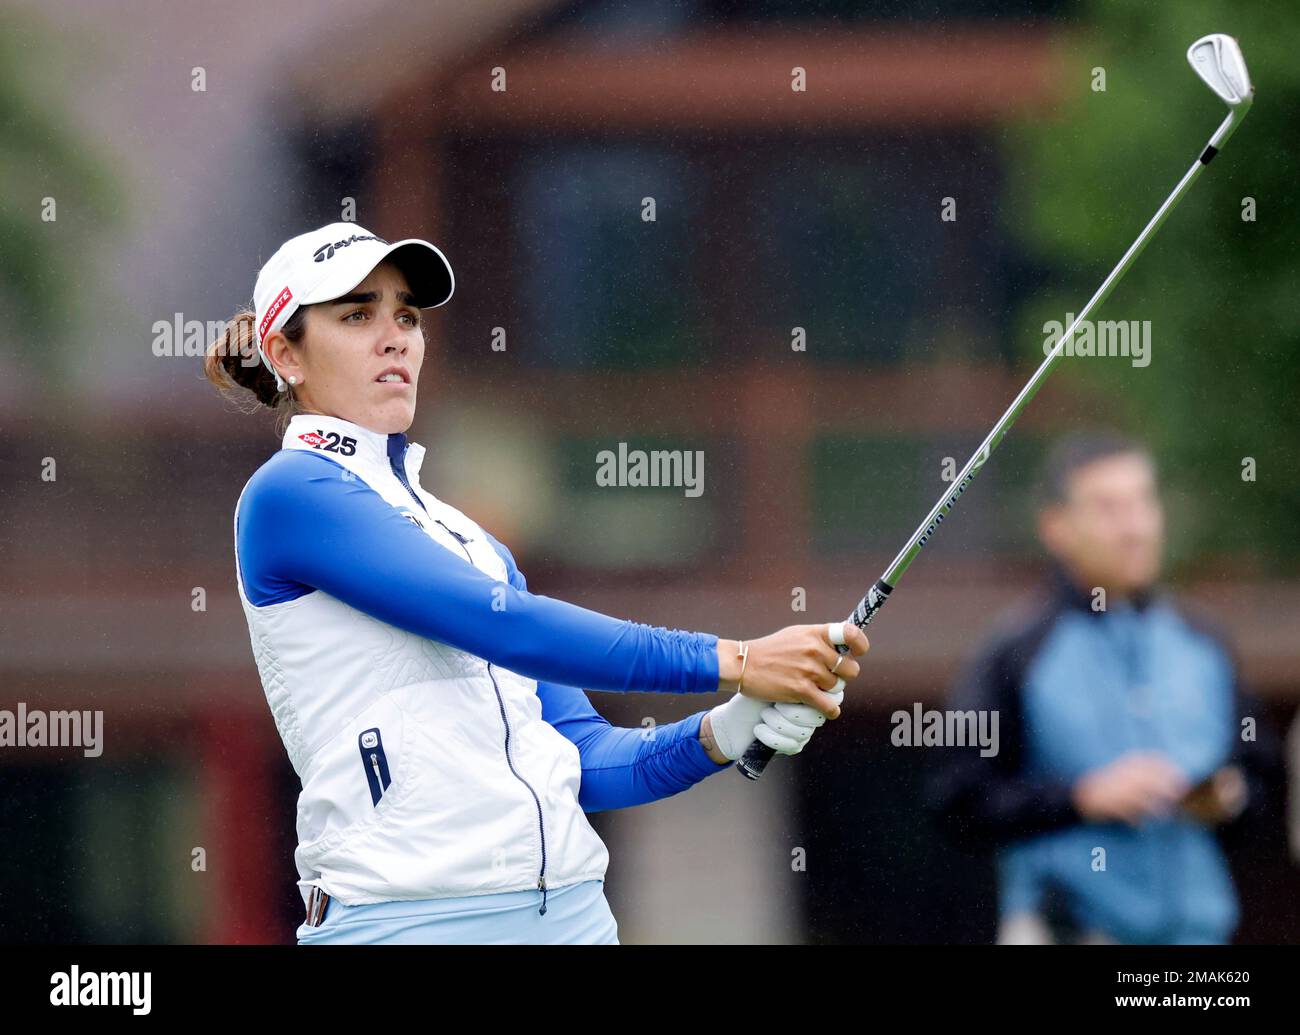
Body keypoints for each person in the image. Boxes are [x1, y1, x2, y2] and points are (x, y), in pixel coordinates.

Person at [203, 222, 870, 944]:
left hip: (574, 919)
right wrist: (737, 657)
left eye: (406, 315)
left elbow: (585, 760)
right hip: (405, 924)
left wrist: (727, 725)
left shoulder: (473, 542)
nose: (395, 336)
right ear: (284, 354)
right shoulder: (289, 494)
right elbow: (505, 625)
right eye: (357, 315)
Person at [929, 430, 1277, 944]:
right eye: (1109, 508)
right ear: (1057, 527)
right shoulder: (1016, 651)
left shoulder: (1204, 641)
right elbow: (957, 801)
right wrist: (1082, 798)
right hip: (1070, 929)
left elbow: (1260, 778)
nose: (1134, 527)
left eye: (1143, 502)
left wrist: (1227, 797)